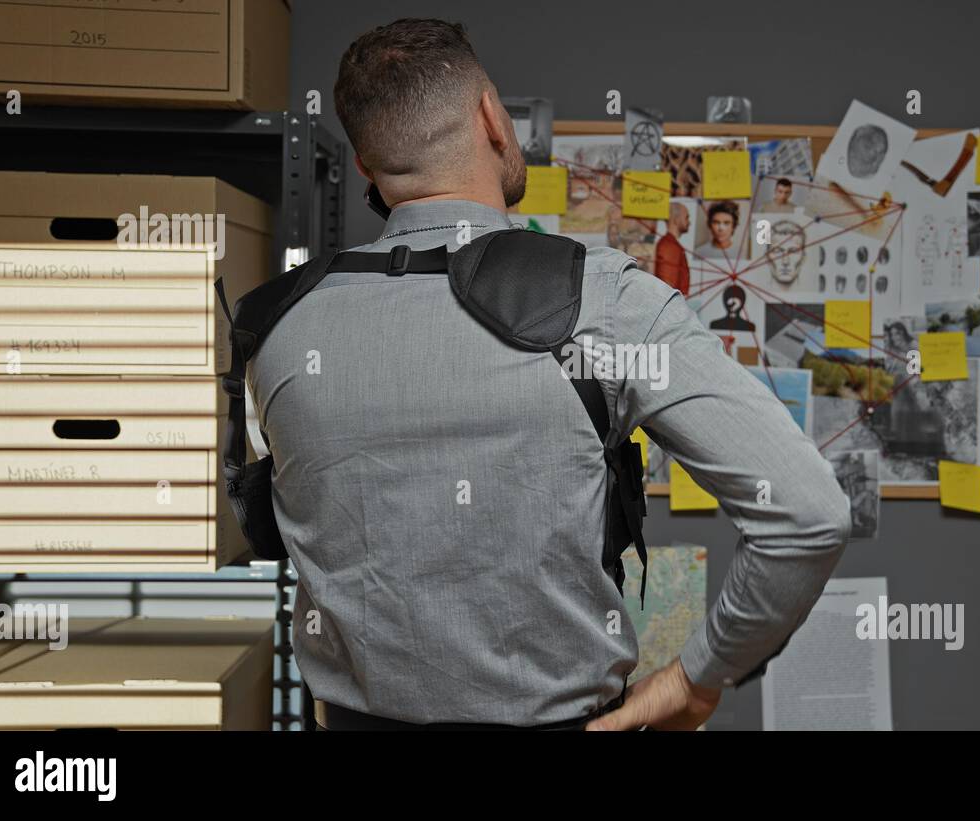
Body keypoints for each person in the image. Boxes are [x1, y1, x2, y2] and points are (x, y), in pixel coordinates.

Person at [246, 17, 851, 731]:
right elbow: (807, 515)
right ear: (493, 118)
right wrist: (697, 675)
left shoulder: (279, 328)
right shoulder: (606, 301)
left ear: (366, 165)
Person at [654, 201, 691, 295]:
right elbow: (668, 287)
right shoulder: (669, 246)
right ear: (676, 220)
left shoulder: (671, 244)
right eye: (686, 217)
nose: (689, 222)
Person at [694, 199, 745, 266]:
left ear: (734, 226)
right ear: (710, 225)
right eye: (716, 222)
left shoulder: (741, 253)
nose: (721, 228)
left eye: (726, 223)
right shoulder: (698, 252)